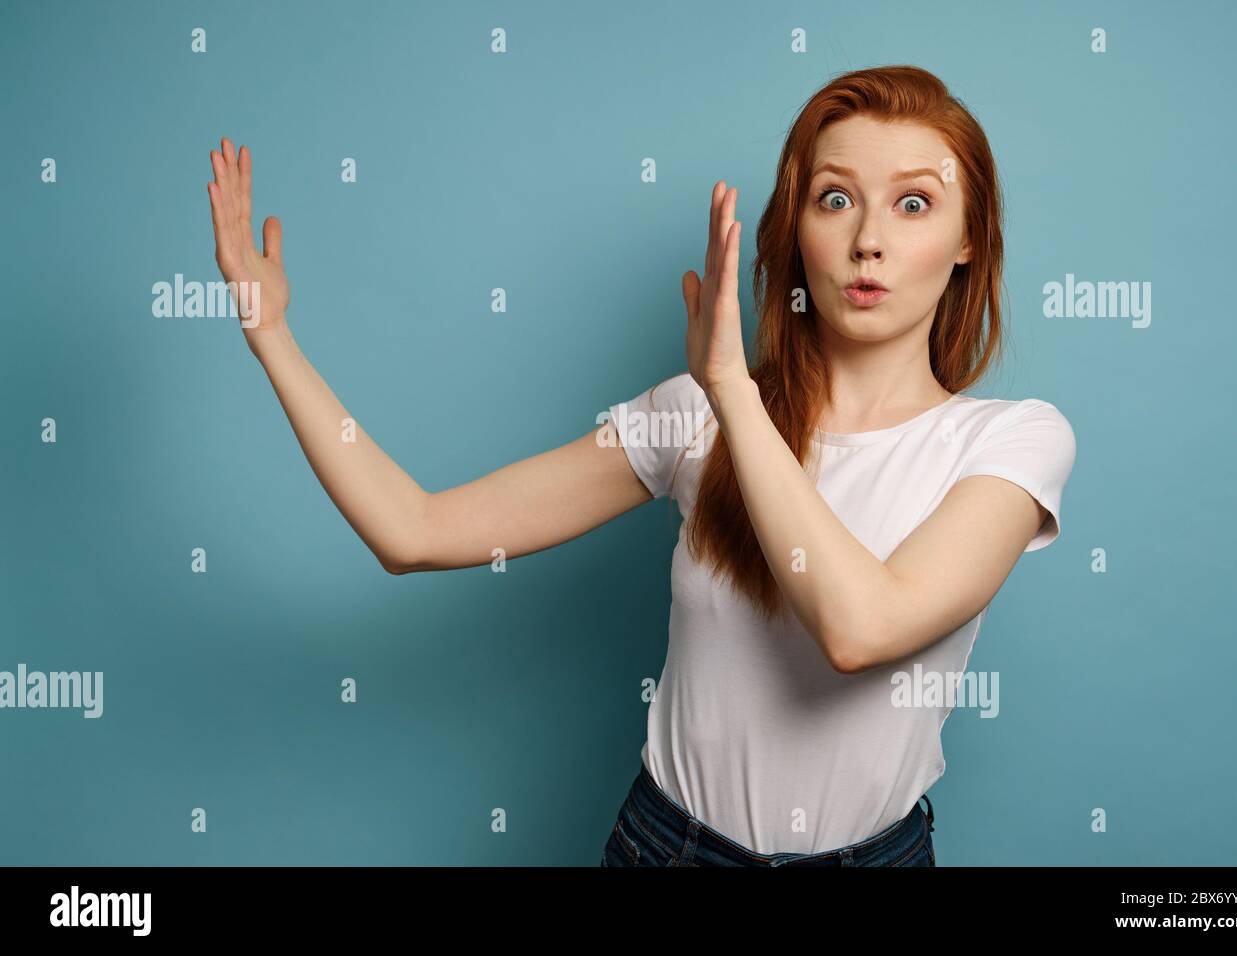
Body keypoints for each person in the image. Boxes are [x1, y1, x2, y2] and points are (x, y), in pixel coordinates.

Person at [205, 64, 1076, 869]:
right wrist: (271, 334)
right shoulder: (693, 412)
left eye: (915, 205)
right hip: (669, 852)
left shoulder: (1009, 442)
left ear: (970, 239)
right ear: (795, 230)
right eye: (836, 198)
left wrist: (734, 391)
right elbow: (415, 531)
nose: (869, 241)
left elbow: (860, 630)